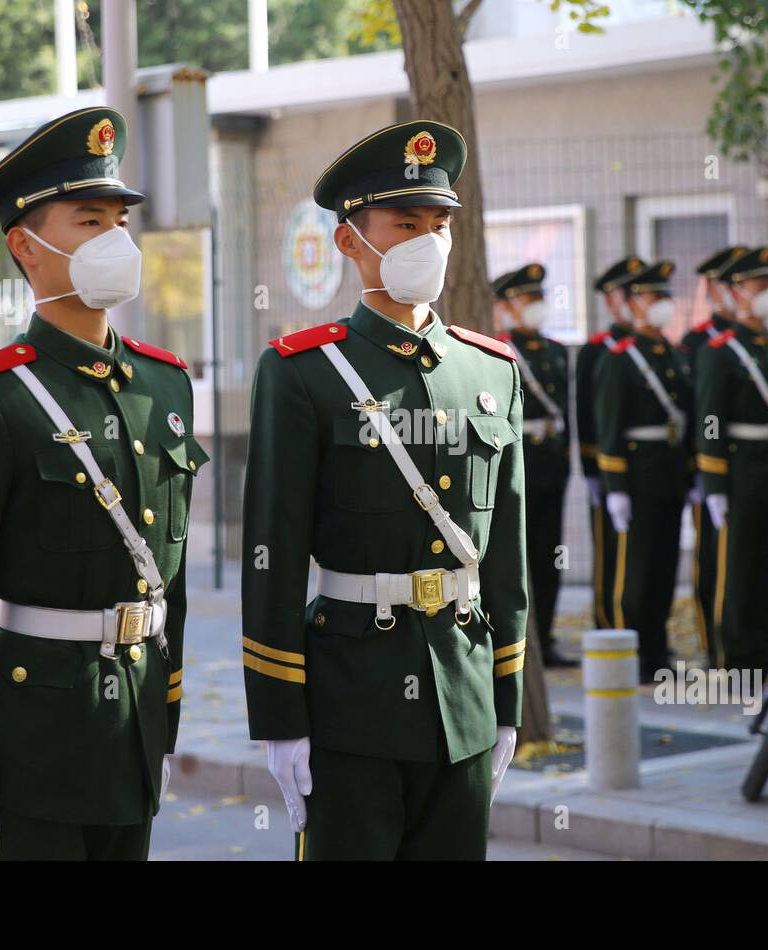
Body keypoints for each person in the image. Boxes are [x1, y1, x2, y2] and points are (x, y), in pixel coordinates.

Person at [0, 107, 207, 860]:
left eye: (118, 220)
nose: (115, 239)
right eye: (88, 220)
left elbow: (168, 581)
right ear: (26, 246)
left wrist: (162, 719)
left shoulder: (165, 387)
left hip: (131, 727)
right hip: (28, 746)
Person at [242, 120, 526, 860]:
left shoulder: (491, 373)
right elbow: (270, 555)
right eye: (405, 224)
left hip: (461, 696)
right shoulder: (302, 372)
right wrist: (280, 716)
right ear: (349, 242)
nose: (427, 241)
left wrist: (505, 701)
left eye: (439, 224)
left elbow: (508, 559)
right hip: (348, 702)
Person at [695, 246, 768, 674]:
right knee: (735, 569)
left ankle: (762, 648)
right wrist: (715, 485)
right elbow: (711, 420)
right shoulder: (722, 351)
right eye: (760, 286)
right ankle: (733, 655)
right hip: (738, 473)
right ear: (737, 291)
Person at [593, 260, 692, 681]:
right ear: (634, 304)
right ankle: (625, 651)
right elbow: (609, 427)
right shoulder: (619, 358)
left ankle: (656, 651)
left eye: (666, 297)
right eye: (655, 298)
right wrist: (614, 485)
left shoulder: (672, 353)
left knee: (663, 569)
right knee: (633, 574)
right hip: (636, 478)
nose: (663, 306)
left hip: (669, 475)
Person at [493, 264, 575, 667]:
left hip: (550, 466)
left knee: (548, 556)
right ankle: (516, 637)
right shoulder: (497, 349)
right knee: (516, 555)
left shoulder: (557, 352)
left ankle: (545, 637)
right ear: (508, 305)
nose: (537, 307)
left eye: (540, 298)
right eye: (530, 299)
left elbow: (567, 418)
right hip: (517, 459)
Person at [678, 246, 747, 666]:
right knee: (713, 559)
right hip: (706, 468)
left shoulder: (752, 339)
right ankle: (713, 643)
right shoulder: (698, 341)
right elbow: (696, 412)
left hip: (745, 467)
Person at [576, 255, 642, 629]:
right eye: (627, 294)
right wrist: (591, 469)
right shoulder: (598, 350)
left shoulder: (652, 347)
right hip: (608, 466)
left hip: (647, 467)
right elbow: (587, 417)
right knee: (611, 553)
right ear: (611, 301)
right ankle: (608, 623)